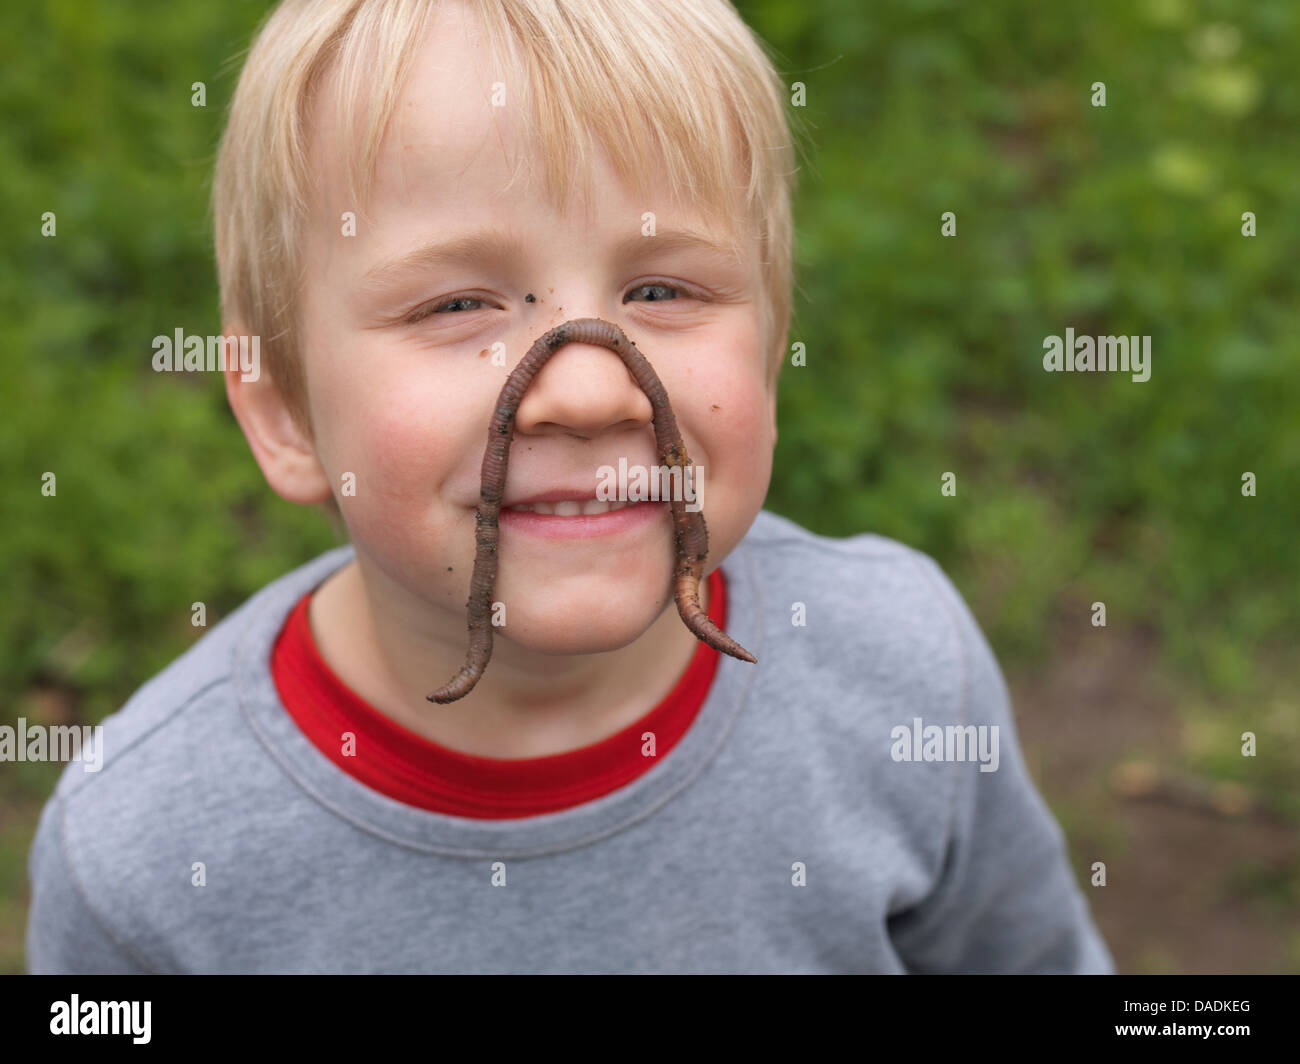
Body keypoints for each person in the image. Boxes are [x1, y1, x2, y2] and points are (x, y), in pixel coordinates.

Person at [26, 0, 1113, 973]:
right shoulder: (145, 856)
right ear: (282, 411)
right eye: (456, 305)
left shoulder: (906, 672)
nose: (586, 390)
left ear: (773, 351)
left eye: (661, 287)